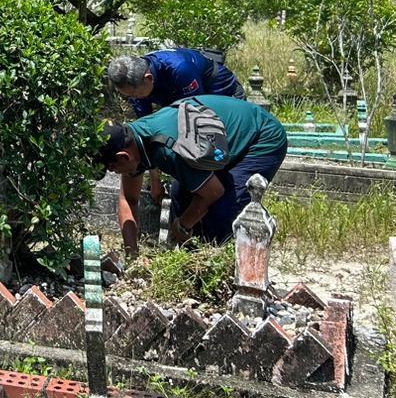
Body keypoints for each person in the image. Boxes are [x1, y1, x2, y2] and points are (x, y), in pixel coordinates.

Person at [93, 95, 288, 254]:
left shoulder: (168, 150)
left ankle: (218, 269)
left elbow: (213, 193)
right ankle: (193, 256)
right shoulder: (133, 141)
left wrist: (183, 225)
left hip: (261, 136)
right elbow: (128, 199)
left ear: (124, 157)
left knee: (222, 213)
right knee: (181, 197)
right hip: (215, 143)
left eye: (112, 168)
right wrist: (132, 254)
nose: (115, 173)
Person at [107, 49, 246, 204]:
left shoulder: (180, 69)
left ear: (148, 78)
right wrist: (155, 180)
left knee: (219, 161)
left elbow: (197, 121)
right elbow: (145, 138)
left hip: (222, 98)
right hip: (184, 106)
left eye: (135, 95)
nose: (133, 99)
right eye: (129, 96)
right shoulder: (136, 85)